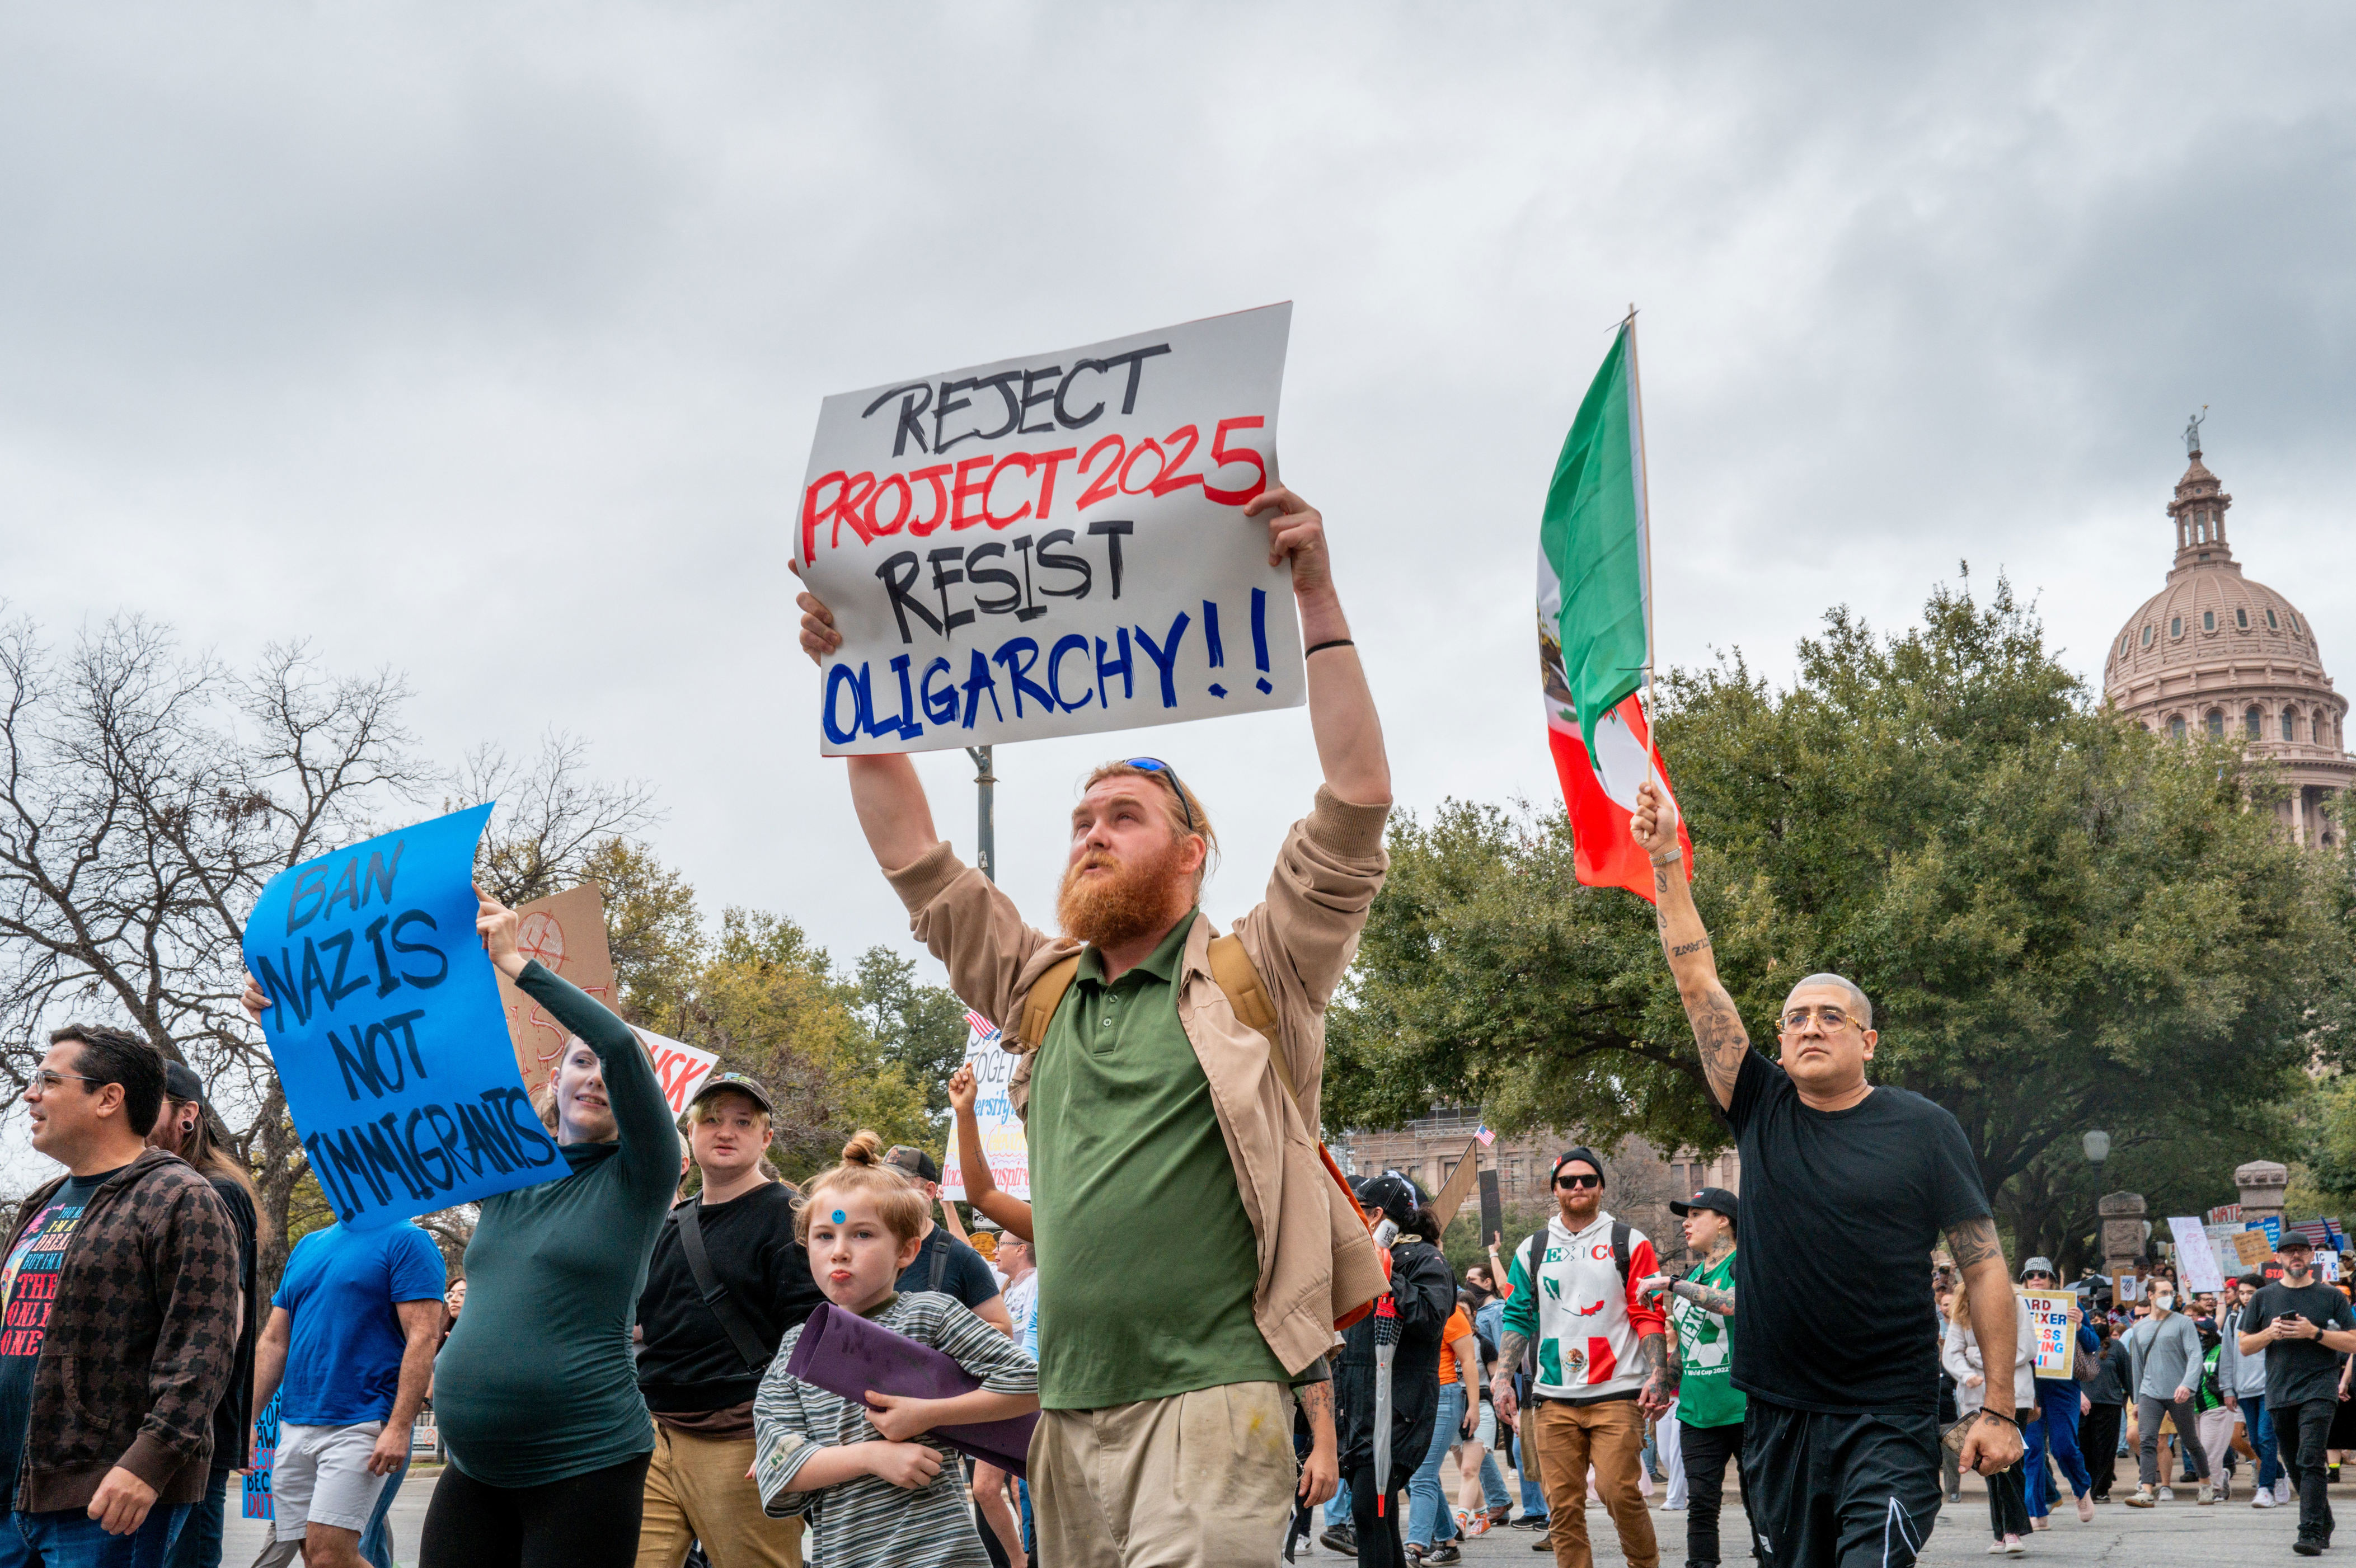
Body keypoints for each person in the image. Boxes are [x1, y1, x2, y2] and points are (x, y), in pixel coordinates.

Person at [795, 482, 1381, 1568]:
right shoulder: (1040, 987)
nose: (1090, 835)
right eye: (1078, 821)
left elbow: (1353, 797)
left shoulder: (1261, 974)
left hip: (1213, 1406)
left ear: (1191, 850)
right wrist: (854, 682)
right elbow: (913, 861)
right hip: (1066, 1412)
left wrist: (1317, 598)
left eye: (1123, 816)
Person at [1630, 781, 2022, 1567]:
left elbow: (1983, 1267)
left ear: (1867, 1040)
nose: (1809, 1025)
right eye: (1794, 1017)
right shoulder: (1760, 1105)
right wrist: (1665, 859)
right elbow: (1698, 981)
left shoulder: (1923, 1128)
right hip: (1774, 1412)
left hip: (1888, 1413)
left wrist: (1998, 1408)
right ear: (1777, 1041)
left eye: (1830, 1015)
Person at [349, 889, 680, 1568]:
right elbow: (394, 1077)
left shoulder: (642, 1177)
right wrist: (294, 1014)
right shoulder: (504, 1168)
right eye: (579, 1064)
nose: (595, 1079)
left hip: (583, 1463)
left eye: (609, 1073)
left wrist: (517, 962)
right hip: (475, 1467)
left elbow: (620, 1045)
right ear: (555, 1076)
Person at [0, 1024, 238, 1566]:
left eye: (49, 1080)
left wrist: (147, 1464)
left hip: (107, 1500)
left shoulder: (182, 1198)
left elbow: (203, 1349)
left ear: (109, 1098)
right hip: (15, 1489)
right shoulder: (39, 1203)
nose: (30, 1093)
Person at [750, 1133, 1040, 1568]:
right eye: (824, 1236)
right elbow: (779, 1464)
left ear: (906, 1249)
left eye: (862, 1234)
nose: (840, 1252)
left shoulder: (932, 1314)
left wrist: (928, 1414)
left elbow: (1033, 1384)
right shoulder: (796, 1349)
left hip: (944, 1554)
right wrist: (871, 1457)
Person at [633, 1073, 824, 1568]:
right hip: (652, 1435)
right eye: (712, 1120)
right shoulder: (671, 1223)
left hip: (743, 1440)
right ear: (690, 1134)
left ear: (766, 1139)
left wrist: (785, 1433)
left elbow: (809, 1335)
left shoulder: (792, 1217)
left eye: (743, 1122)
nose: (726, 1131)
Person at [1490, 1149, 1667, 1568]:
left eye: (1588, 1179)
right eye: (1568, 1181)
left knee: (1619, 1492)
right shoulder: (1533, 1248)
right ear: (1555, 1190)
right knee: (1563, 1508)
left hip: (1617, 1392)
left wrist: (1658, 1372)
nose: (1578, 1188)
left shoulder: (1629, 1240)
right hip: (1552, 1397)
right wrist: (1501, 1379)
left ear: (1601, 1186)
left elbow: (1647, 1312)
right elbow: (1517, 1315)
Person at [248, 1217, 446, 1568]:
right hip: (295, 1423)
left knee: (331, 1556)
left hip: (364, 1421)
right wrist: (247, 1421)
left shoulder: (408, 1239)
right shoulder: (308, 1244)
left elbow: (424, 1337)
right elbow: (275, 1341)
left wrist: (399, 1426)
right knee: (312, 1555)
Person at [149, 1060, 261, 1568]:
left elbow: (223, 1324)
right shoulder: (144, 1186)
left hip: (188, 1428)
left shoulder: (214, 1190)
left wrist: (185, 1415)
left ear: (187, 1115)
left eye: (145, 1099)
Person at [1335, 1175, 1454, 1568]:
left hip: (1401, 1405)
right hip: (1360, 1405)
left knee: (1370, 1508)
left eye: (1361, 1211)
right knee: (1377, 1513)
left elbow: (1432, 1317)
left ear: (1379, 1216)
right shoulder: (1360, 1259)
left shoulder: (1426, 1259)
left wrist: (1387, 1275)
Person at [1638, 1186, 1748, 1568]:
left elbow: (1733, 1304)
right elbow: (1685, 1348)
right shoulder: (1691, 1275)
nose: (1686, 1222)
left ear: (1724, 1221)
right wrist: (1660, 1384)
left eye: (1696, 1214)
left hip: (1746, 1408)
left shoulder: (1744, 1263)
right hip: (1698, 1413)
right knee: (1701, 1503)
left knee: (1762, 1500)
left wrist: (1670, 1284)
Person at [2239, 1233, 2356, 1555]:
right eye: (2289, 1252)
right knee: (2294, 1465)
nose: (2295, 1256)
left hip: (2319, 1389)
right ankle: (2324, 1518)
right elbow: (2245, 1346)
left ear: (2310, 1257)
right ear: (2278, 1259)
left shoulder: (2330, 1296)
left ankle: (2312, 1532)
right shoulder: (2263, 1297)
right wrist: (2270, 1333)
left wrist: (2315, 1333)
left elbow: (2353, 1341)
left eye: (2301, 1251)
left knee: (2310, 1458)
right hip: (2279, 1390)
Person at [1941, 1278, 2033, 1554]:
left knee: (2009, 1462)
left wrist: (1975, 1356)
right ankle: (2003, 1531)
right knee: (1988, 1466)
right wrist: (1967, 1373)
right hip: (1975, 1398)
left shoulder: (2016, 1304)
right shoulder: (1963, 1311)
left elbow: (2025, 1350)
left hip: (2015, 1395)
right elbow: (1951, 1353)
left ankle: (2012, 1530)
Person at [2014, 1259, 2099, 1528]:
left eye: (2042, 1274)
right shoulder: (2016, 1306)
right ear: (2025, 1281)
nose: (2036, 1279)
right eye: (2030, 1275)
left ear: (2052, 1280)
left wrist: (2079, 1326)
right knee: (2033, 1449)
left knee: (2064, 1446)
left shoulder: (2070, 1304)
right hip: (2030, 1384)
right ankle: (2036, 1510)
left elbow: (2094, 1344)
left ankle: (2081, 1488)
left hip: (2064, 1385)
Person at [1405, 1285, 1479, 1565]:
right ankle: (1449, 1542)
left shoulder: (1452, 1314)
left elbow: (1469, 1361)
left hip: (1446, 1396)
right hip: (1417, 1395)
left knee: (1422, 1475)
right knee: (1417, 1476)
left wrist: (1474, 1407)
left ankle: (1415, 1546)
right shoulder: (1414, 1310)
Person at [2122, 1276, 2209, 1506]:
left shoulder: (2183, 1323)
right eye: (2163, 1293)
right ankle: (2147, 1490)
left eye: (2171, 1293)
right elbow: (2137, 1365)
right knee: (2148, 1439)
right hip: (2150, 1392)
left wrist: (2188, 1384)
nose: (2168, 1297)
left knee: (2190, 1441)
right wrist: (2138, 1398)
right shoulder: (2139, 1328)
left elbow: (2195, 1356)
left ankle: (2206, 1484)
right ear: (2150, 1295)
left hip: (2180, 1393)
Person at [2221, 1273, 2285, 1508]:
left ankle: (2265, 1488)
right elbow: (2227, 1355)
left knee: (2267, 1438)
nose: (2247, 1297)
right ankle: (2279, 1473)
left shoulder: (2273, 1315)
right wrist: (2228, 1388)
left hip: (2271, 1387)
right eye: (2242, 1292)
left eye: (2251, 1292)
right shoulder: (2233, 1319)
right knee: (2256, 1442)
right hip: (2245, 1389)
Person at [2079, 1320, 2130, 1504]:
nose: (2097, 1324)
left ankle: (2101, 1490)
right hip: (2081, 1407)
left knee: (2105, 1450)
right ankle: (2086, 1487)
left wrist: (2135, 1401)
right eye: (2093, 1321)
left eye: (2102, 1321)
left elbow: (2127, 1375)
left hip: (2109, 1405)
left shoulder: (2117, 1348)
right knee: (2084, 1449)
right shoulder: (2077, 1344)